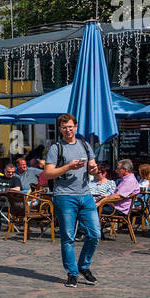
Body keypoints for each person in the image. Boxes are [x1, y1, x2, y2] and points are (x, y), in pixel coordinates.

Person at [42, 113, 100, 287]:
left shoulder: (85, 144)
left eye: (70, 126)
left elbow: (93, 170)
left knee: (95, 234)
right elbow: (48, 173)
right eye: (64, 127)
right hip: (64, 196)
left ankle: (83, 266)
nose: (68, 130)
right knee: (68, 237)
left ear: (76, 127)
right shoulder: (56, 148)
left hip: (86, 195)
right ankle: (72, 273)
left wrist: (94, 169)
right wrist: (68, 166)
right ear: (60, 129)